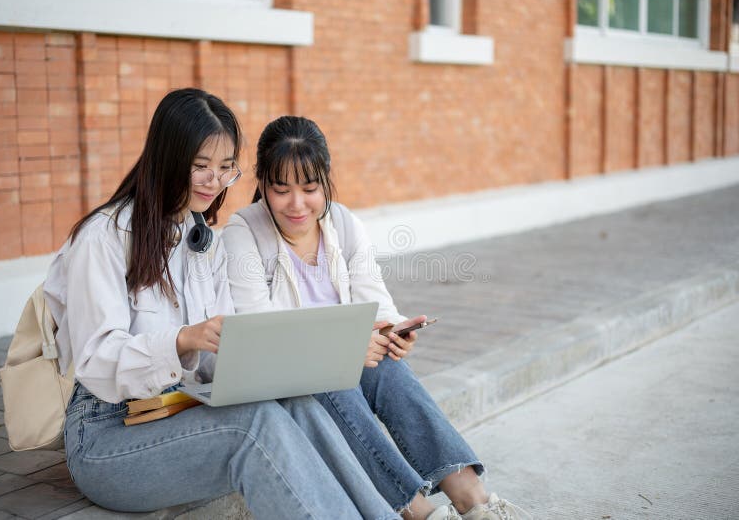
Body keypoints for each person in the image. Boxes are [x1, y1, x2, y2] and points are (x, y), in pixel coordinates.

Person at [43, 90, 399, 520]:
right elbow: (96, 362)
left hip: (178, 410)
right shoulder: (104, 237)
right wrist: (181, 340)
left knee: (301, 402)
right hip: (107, 436)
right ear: (167, 158)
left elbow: (218, 368)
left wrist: (260, 360)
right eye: (201, 167)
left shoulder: (202, 243)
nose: (215, 182)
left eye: (226, 168)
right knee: (254, 426)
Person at [221, 116, 530, 520]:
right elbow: (262, 336)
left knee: (387, 366)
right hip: (288, 383)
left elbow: (375, 300)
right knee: (337, 379)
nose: (297, 204)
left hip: (342, 366)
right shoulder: (242, 234)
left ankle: (476, 502)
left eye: (310, 189)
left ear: (326, 181)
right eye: (282, 190)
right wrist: (343, 351)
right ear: (262, 184)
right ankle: (419, 512)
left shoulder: (343, 223)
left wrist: (394, 330)